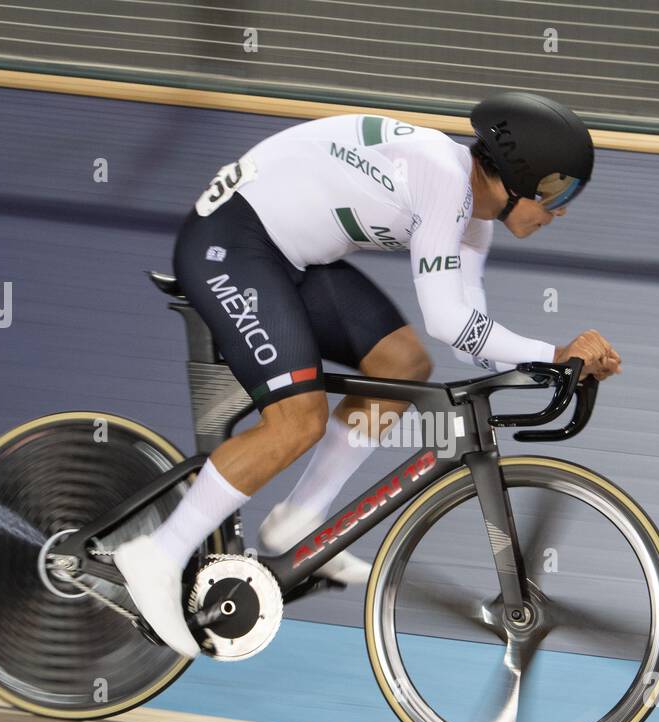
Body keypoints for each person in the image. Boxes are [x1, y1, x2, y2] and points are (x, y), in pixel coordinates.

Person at [114, 91, 622, 658]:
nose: (563, 208)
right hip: (232, 243)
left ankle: (298, 520)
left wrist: (562, 365)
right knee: (296, 422)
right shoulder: (444, 182)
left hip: (286, 258)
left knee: (402, 366)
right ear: (518, 174)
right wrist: (555, 353)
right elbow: (448, 320)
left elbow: (473, 340)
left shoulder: (473, 218)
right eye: (560, 190)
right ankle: (157, 554)